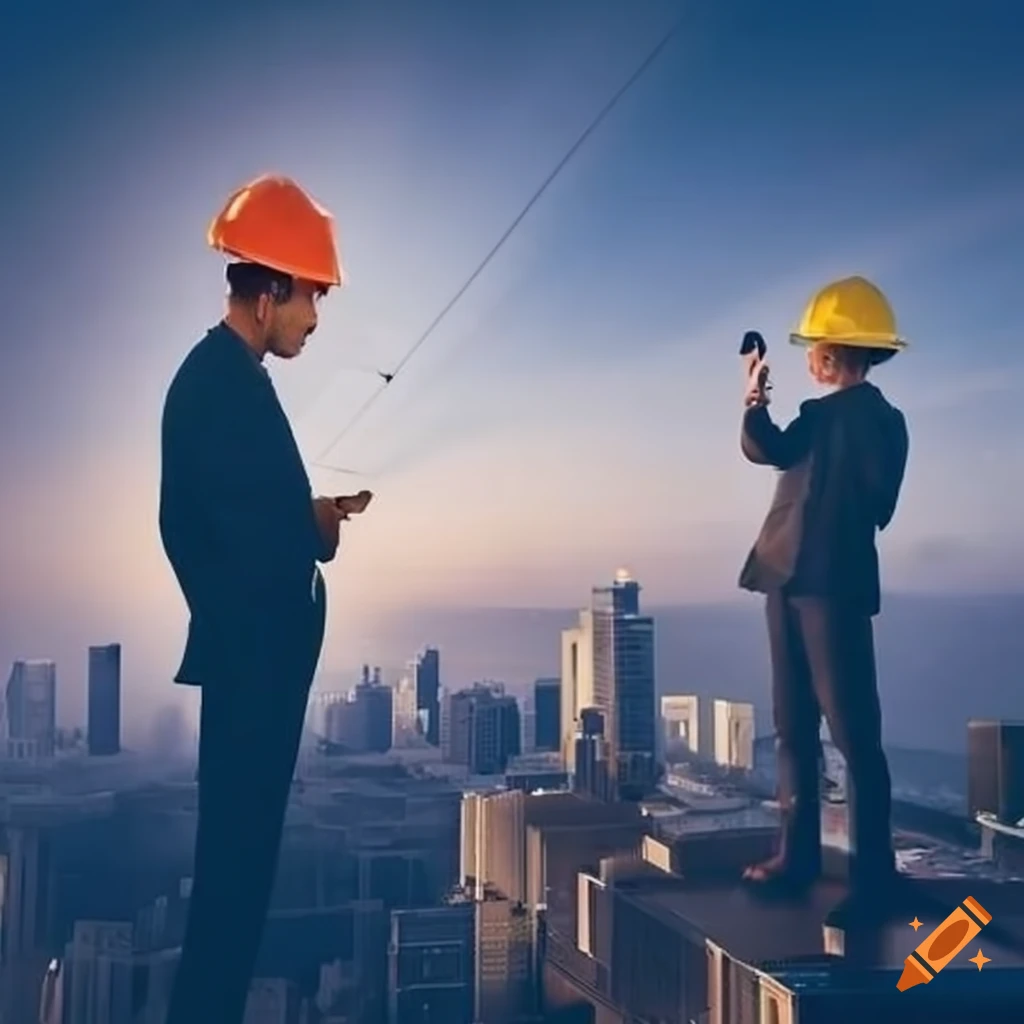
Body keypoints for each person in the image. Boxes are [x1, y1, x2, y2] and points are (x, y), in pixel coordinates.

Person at [159, 175, 372, 1023]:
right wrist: (316, 529)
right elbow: (234, 536)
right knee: (232, 891)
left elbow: (236, 512)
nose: (316, 318)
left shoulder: (228, 377)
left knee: (238, 886)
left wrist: (304, 515)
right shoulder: (220, 385)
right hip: (252, 675)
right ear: (271, 290)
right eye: (312, 297)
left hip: (255, 671)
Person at [736, 276, 909, 905]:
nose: (808, 357)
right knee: (812, 725)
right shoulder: (879, 422)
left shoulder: (853, 418)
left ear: (832, 354)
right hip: (800, 579)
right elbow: (778, 453)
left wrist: (756, 402)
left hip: (816, 582)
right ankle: (820, 861)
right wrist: (758, 402)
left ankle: (856, 871)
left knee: (835, 730)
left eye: (814, 347)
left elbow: (769, 450)